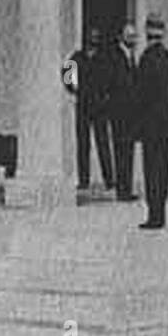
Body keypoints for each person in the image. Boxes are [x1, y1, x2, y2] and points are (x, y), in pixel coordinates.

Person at [136, 13, 168, 229]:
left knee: (152, 170)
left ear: (147, 33)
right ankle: (161, 213)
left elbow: (141, 92)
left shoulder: (146, 59)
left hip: (151, 124)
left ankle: (154, 215)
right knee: (165, 170)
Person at [65, 25, 114, 193]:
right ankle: (83, 180)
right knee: (83, 144)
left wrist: (105, 94)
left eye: (96, 36)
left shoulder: (103, 58)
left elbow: (110, 77)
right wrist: (74, 89)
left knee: (103, 143)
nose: (94, 40)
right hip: (83, 104)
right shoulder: (77, 58)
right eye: (91, 36)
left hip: (99, 105)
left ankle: (109, 180)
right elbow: (66, 75)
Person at [104, 21, 140, 202]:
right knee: (120, 149)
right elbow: (111, 82)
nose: (132, 39)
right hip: (119, 112)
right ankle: (122, 190)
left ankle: (127, 188)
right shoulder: (114, 56)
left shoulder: (132, 57)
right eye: (129, 36)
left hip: (131, 112)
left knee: (129, 150)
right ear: (122, 37)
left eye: (134, 36)